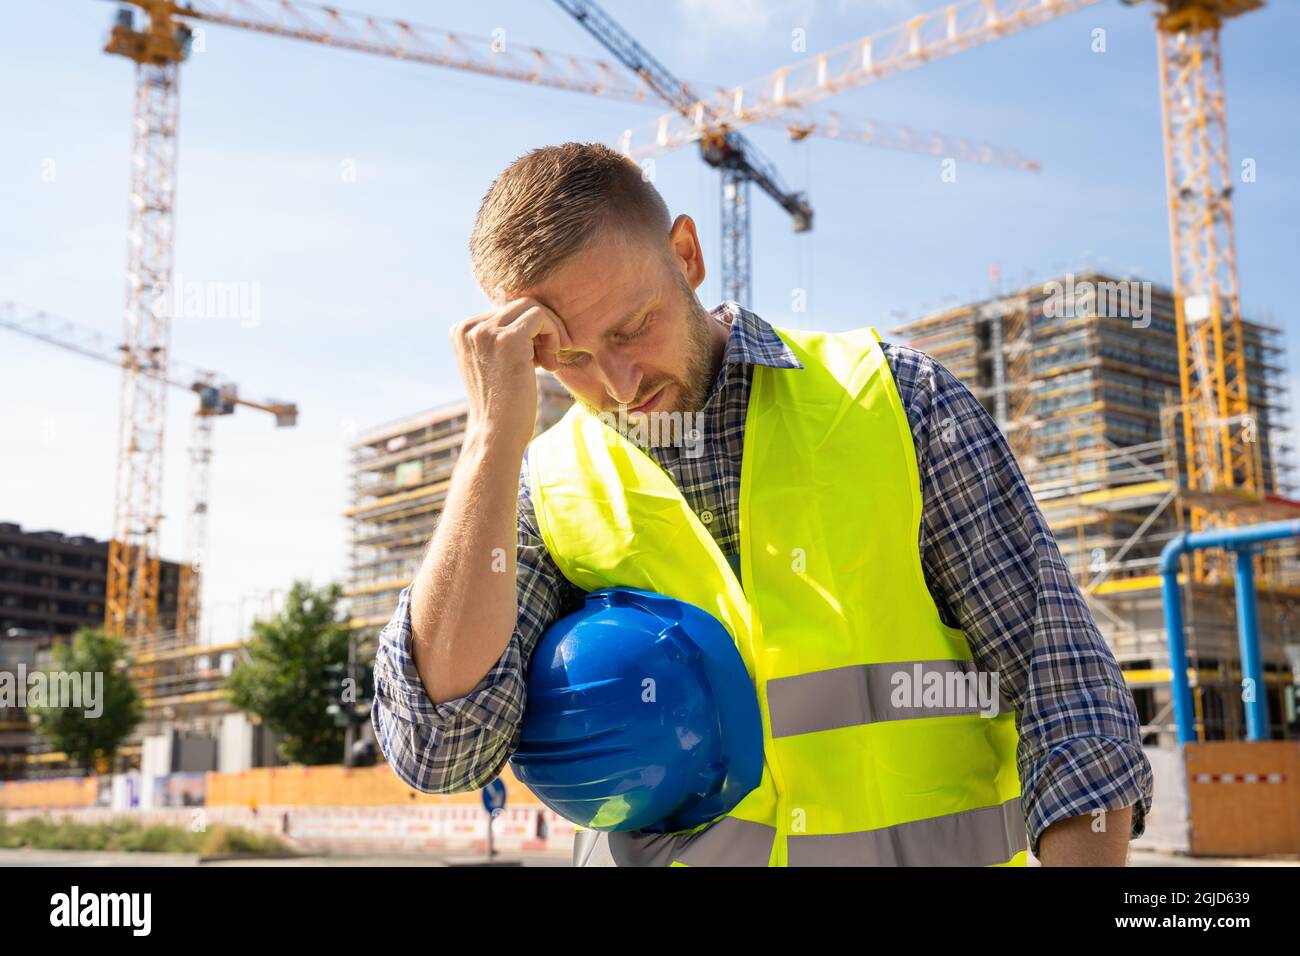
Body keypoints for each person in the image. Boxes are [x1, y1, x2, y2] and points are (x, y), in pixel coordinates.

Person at [370, 141, 1153, 866]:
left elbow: (1065, 688)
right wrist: (489, 440)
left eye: (634, 327)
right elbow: (446, 749)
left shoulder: (892, 396)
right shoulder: (542, 486)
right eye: (569, 358)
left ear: (687, 254)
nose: (619, 384)